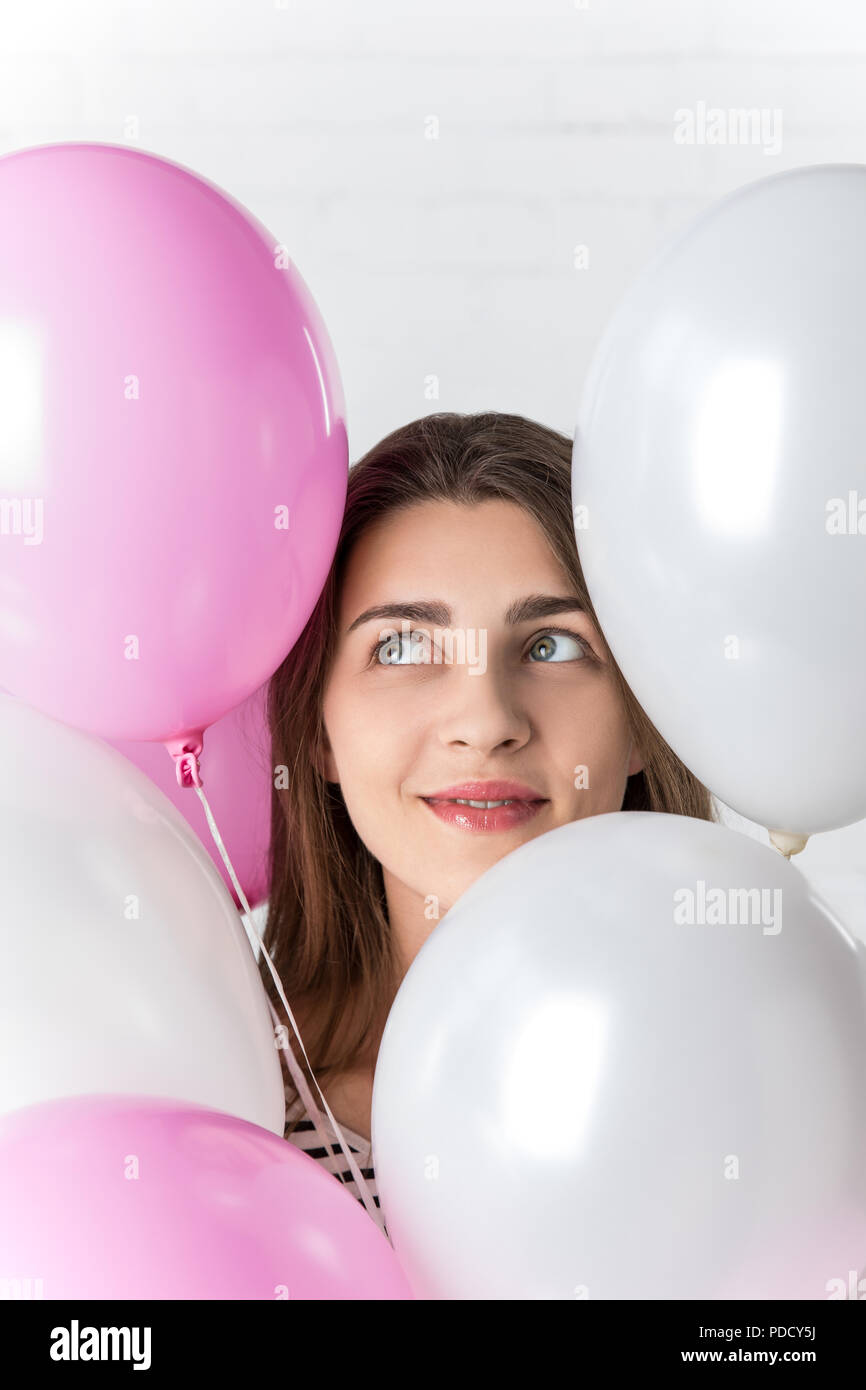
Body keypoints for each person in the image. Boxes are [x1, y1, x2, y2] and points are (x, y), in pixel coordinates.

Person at [258, 411, 714, 1221]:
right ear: (319, 736)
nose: (486, 719)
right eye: (401, 647)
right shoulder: (233, 1108)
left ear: (645, 717)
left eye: (552, 645)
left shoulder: (767, 1084)